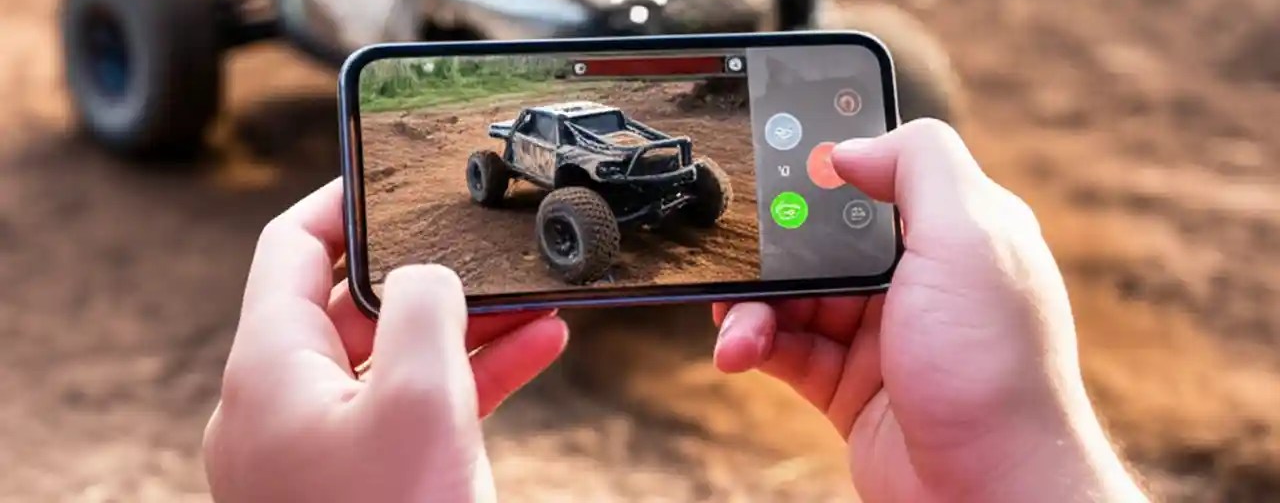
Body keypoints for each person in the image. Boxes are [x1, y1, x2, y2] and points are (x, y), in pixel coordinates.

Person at [203, 120, 1150, 502]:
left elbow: (626, 176)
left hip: (616, 175)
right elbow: (565, 176)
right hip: (581, 179)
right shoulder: (527, 153)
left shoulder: (627, 150)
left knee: (621, 194)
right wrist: (1025, 461)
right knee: (573, 209)